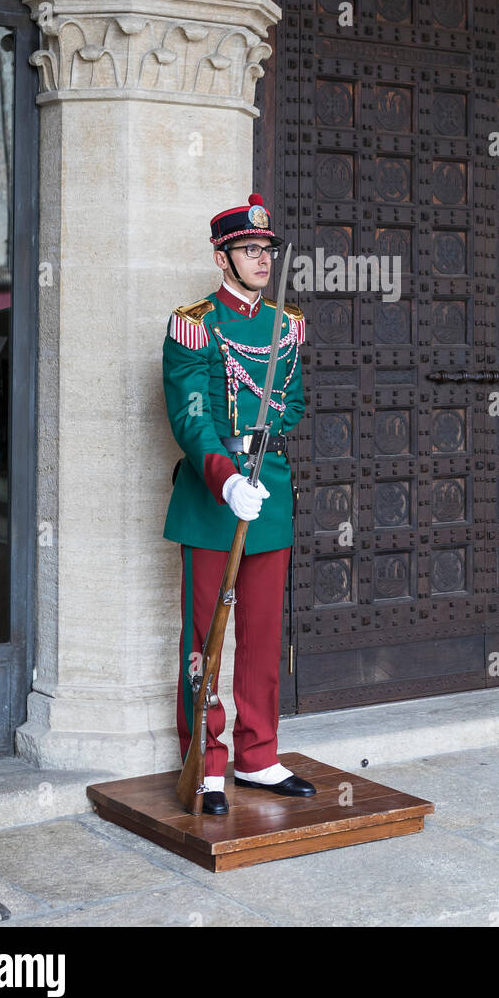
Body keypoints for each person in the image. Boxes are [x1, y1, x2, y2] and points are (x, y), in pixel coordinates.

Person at [162, 192, 315, 815]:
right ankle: (208, 761)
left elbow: (294, 404)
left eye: (266, 250)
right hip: (212, 494)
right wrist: (226, 476)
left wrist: (259, 450)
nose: (261, 259)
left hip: (269, 489)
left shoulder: (287, 325)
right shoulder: (195, 324)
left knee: (260, 633)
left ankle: (259, 755)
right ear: (221, 256)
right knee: (206, 637)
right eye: (249, 250)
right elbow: (191, 415)